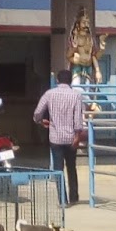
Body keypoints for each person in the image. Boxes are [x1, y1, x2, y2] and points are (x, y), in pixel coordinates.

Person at [33, 69, 86, 206]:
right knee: (71, 167)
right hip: (71, 138)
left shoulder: (49, 94)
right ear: (70, 81)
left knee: (58, 169)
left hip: (55, 138)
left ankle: (62, 200)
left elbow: (38, 112)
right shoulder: (76, 95)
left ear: (57, 80)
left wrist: (40, 121)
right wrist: (77, 136)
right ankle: (74, 197)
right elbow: (78, 119)